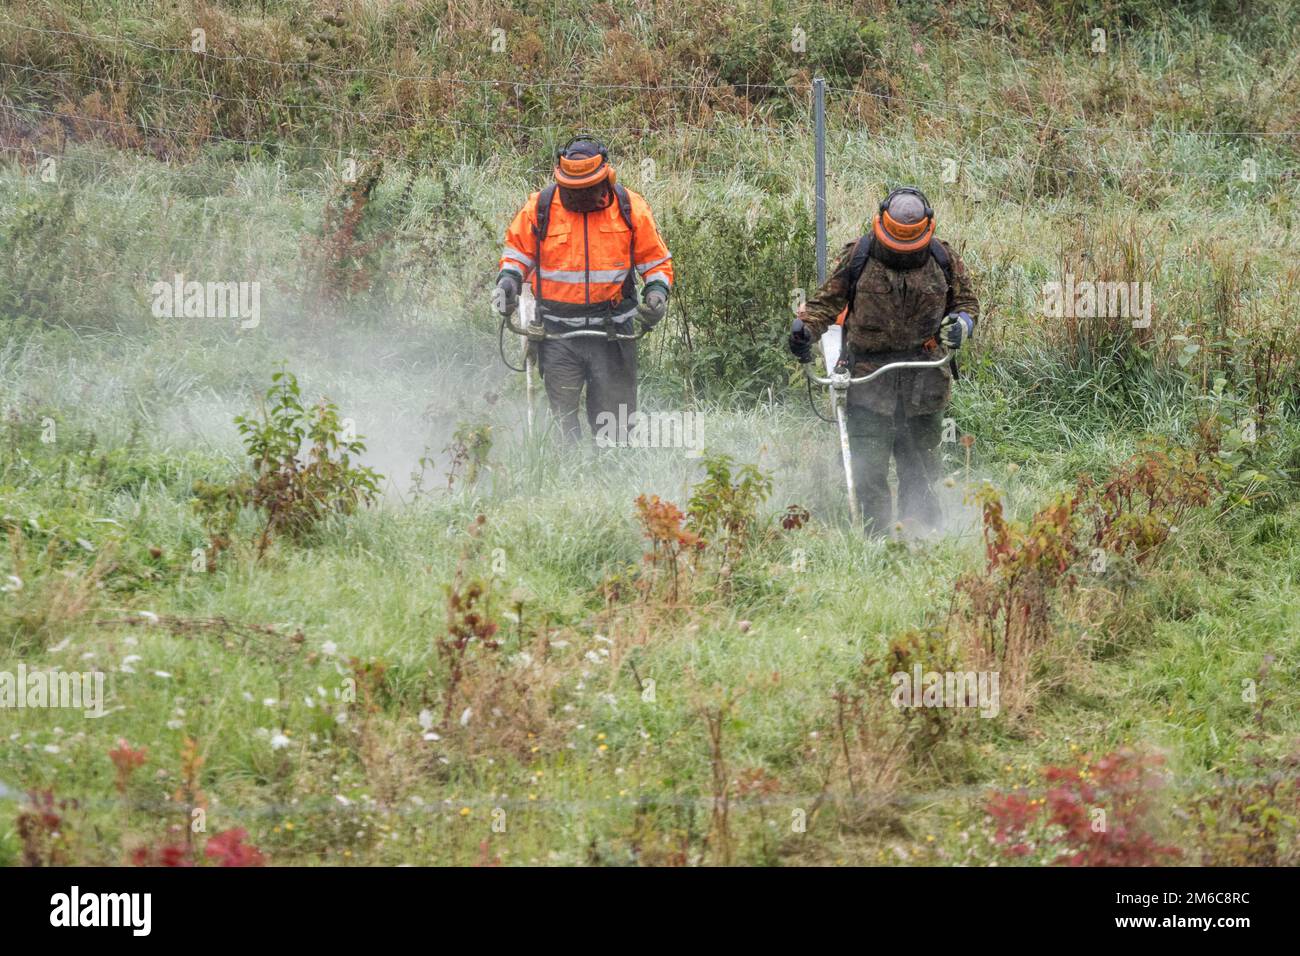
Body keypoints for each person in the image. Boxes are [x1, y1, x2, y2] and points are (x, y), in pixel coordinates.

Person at [790, 186, 979, 533]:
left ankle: (920, 538)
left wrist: (962, 325)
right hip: (868, 382)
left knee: (920, 468)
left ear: (927, 230)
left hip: (926, 381)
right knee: (869, 471)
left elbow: (966, 304)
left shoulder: (943, 258)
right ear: (882, 226)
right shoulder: (859, 256)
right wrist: (805, 330)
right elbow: (825, 304)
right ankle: (876, 540)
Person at [492, 138, 674, 443]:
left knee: (615, 426)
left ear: (606, 179)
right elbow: (516, 255)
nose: (580, 196)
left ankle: (611, 475)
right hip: (557, 334)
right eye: (572, 190)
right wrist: (507, 283)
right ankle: (566, 476)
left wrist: (656, 294)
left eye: (588, 188)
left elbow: (655, 262)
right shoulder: (541, 207)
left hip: (613, 331)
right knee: (562, 422)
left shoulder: (630, 208)